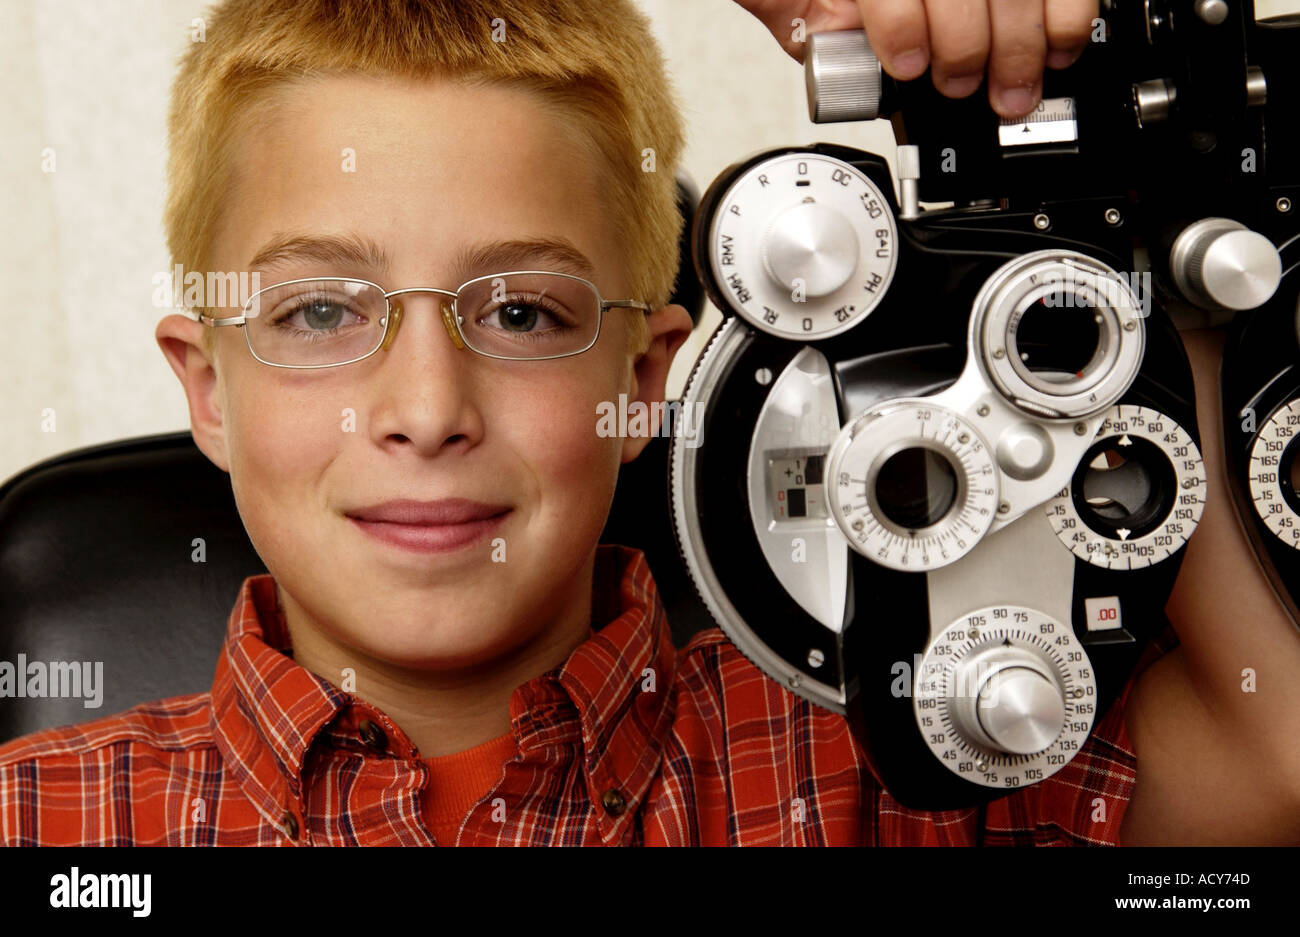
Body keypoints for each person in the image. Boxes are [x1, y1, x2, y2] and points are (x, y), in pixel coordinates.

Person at [0, 0, 1295, 846]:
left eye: (522, 316)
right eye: (321, 312)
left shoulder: (892, 757)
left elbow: (1275, 759)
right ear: (206, 384)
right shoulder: (41, 824)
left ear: (653, 377)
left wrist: (1126, 186)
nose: (424, 410)